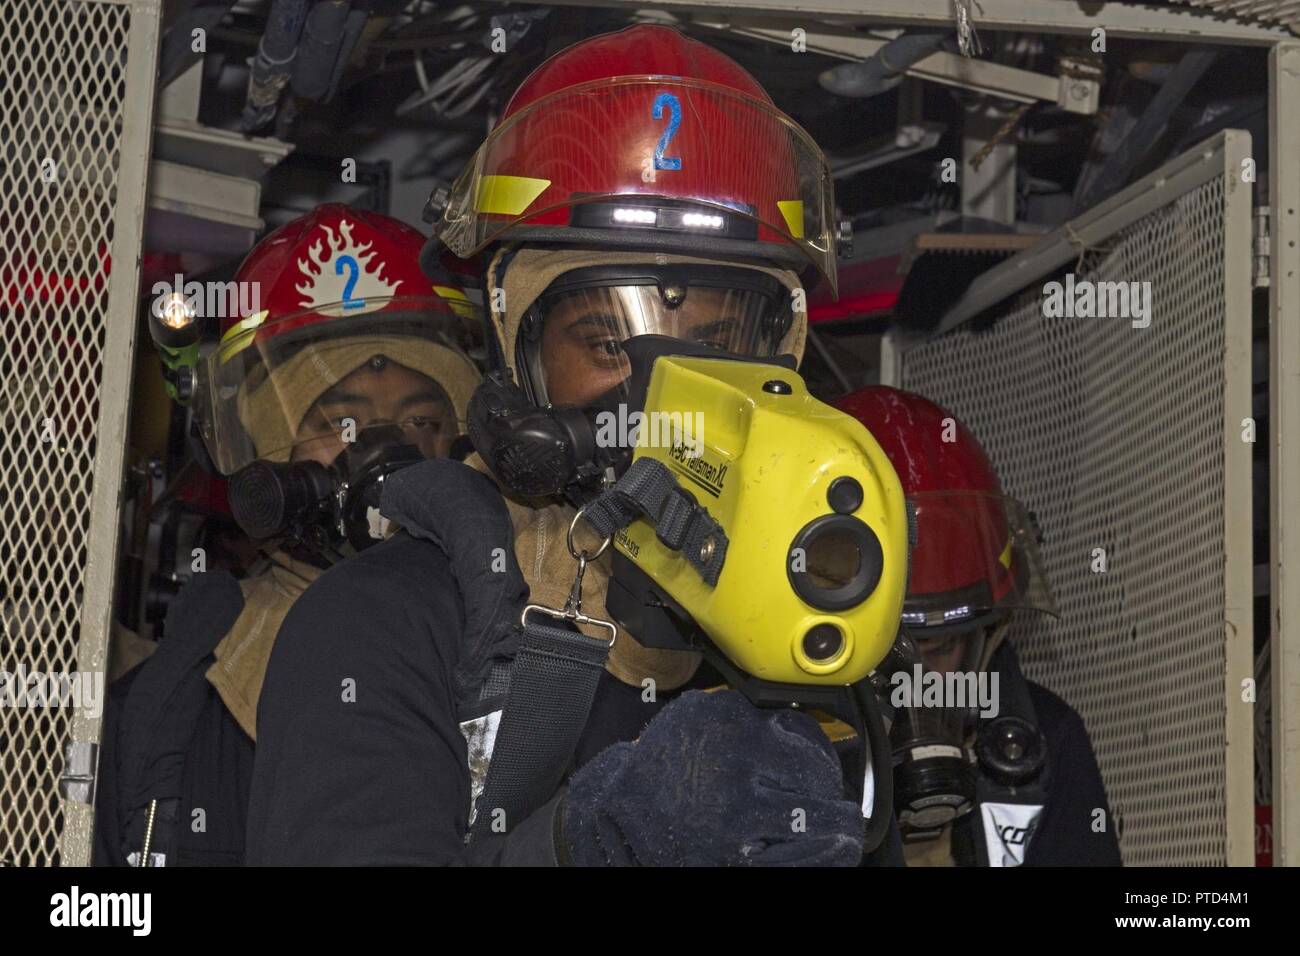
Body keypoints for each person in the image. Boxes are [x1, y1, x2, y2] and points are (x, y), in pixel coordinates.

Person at [245, 25, 890, 866]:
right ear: (518, 351)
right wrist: (576, 845)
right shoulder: (382, 626)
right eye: (612, 341)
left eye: (723, 338)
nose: (670, 396)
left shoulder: (824, 632)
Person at [93, 204, 481, 866]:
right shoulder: (169, 715)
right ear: (266, 454)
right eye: (341, 423)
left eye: (420, 422)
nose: (384, 453)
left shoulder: (529, 657)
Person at [836, 386, 1123, 866]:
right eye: (884, 652)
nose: (916, 686)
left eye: (940, 645)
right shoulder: (755, 758)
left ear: (989, 640)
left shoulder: (1040, 750)